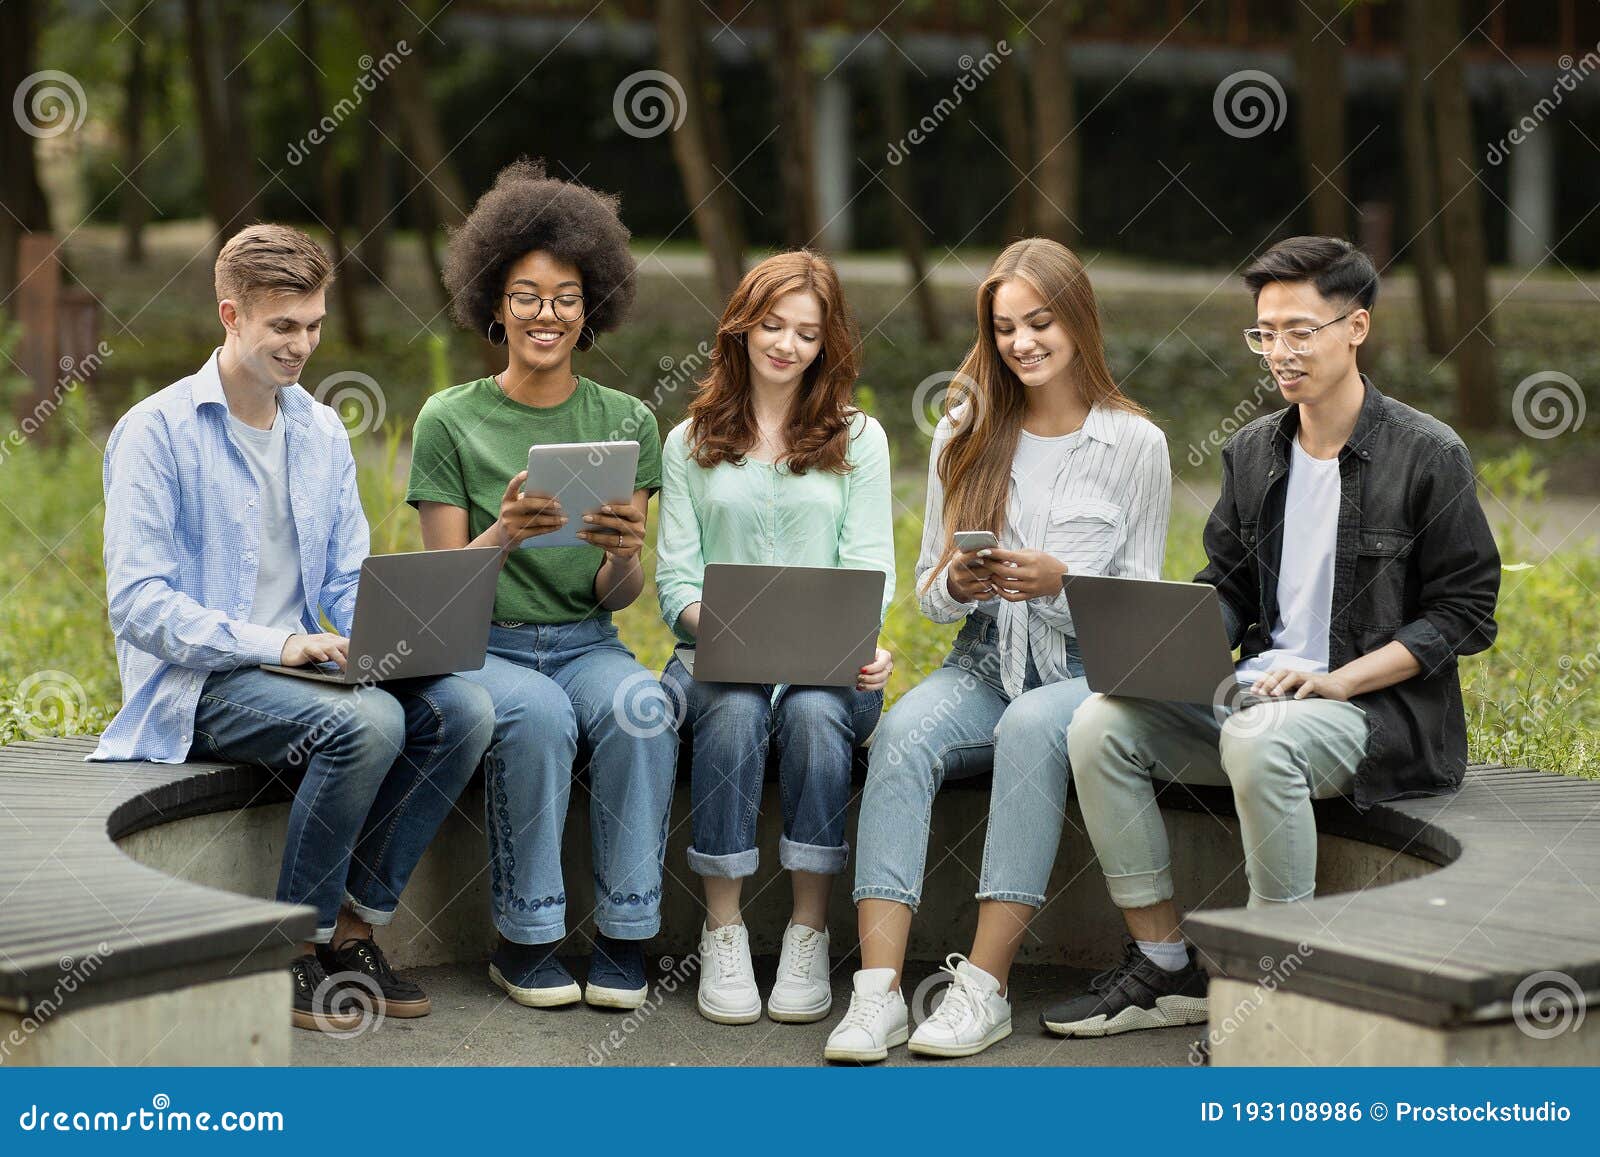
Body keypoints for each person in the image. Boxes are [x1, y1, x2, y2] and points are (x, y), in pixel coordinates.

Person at [1045, 236, 1501, 1039]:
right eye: (1264, 333)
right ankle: (1166, 965)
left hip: (1374, 714)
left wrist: (1340, 680)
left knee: (1261, 740)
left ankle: (1274, 985)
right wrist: (1169, 644)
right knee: (1099, 724)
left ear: (1355, 326)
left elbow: (1465, 611)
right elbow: (1224, 586)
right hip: (1258, 691)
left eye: (1300, 330)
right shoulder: (1255, 452)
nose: (1279, 353)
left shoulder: (1428, 454)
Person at [94, 223, 495, 1034]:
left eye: (313, 324)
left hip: (301, 669)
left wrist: (386, 639)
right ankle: (289, 948)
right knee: (367, 721)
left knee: (466, 710)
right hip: (197, 682)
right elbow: (138, 603)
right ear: (230, 314)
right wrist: (277, 643)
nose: (303, 344)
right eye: (284, 326)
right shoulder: (156, 431)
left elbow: (344, 583)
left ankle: (354, 931)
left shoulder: (319, 431)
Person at [824, 238, 1171, 1062]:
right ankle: (877, 995)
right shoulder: (964, 427)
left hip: (1088, 674)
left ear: (1078, 318)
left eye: (1040, 322)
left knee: (1030, 729)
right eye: (1006, 326)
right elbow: (927, 594)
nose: (1022, 343)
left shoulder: (1135, 445)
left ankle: (981, 988)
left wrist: (1057, 584)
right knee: (903, 734)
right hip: (982, 659)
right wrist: (963, 582)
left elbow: (1144, 615)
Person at [408, 159, 675, 1013]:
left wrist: (624, 553)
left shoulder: (627, 422)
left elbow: (616, 595)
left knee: (645, 706)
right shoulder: (448, 418)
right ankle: (525, 936)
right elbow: (445, 595)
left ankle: (628, 936)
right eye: (525, 295)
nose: (545, 314)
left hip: (588, 641)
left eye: (564, 296)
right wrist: (503, 533)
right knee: (541, 713)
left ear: (591, 306)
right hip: (485, 647)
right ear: (493, 302)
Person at [655, 251, 895, 1026]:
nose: (786, 344)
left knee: (814, 715)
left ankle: (808, 928)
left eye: (807, 332)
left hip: (826, 672)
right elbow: (675, 584)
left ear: (828, 344)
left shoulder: (859, 438)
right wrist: (725, 632)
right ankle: (722, 927)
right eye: (772, 325)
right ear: (742, 326)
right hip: (714, 657)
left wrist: (866, 644)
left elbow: (868, 569)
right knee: (728, 704)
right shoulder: (690, 438)